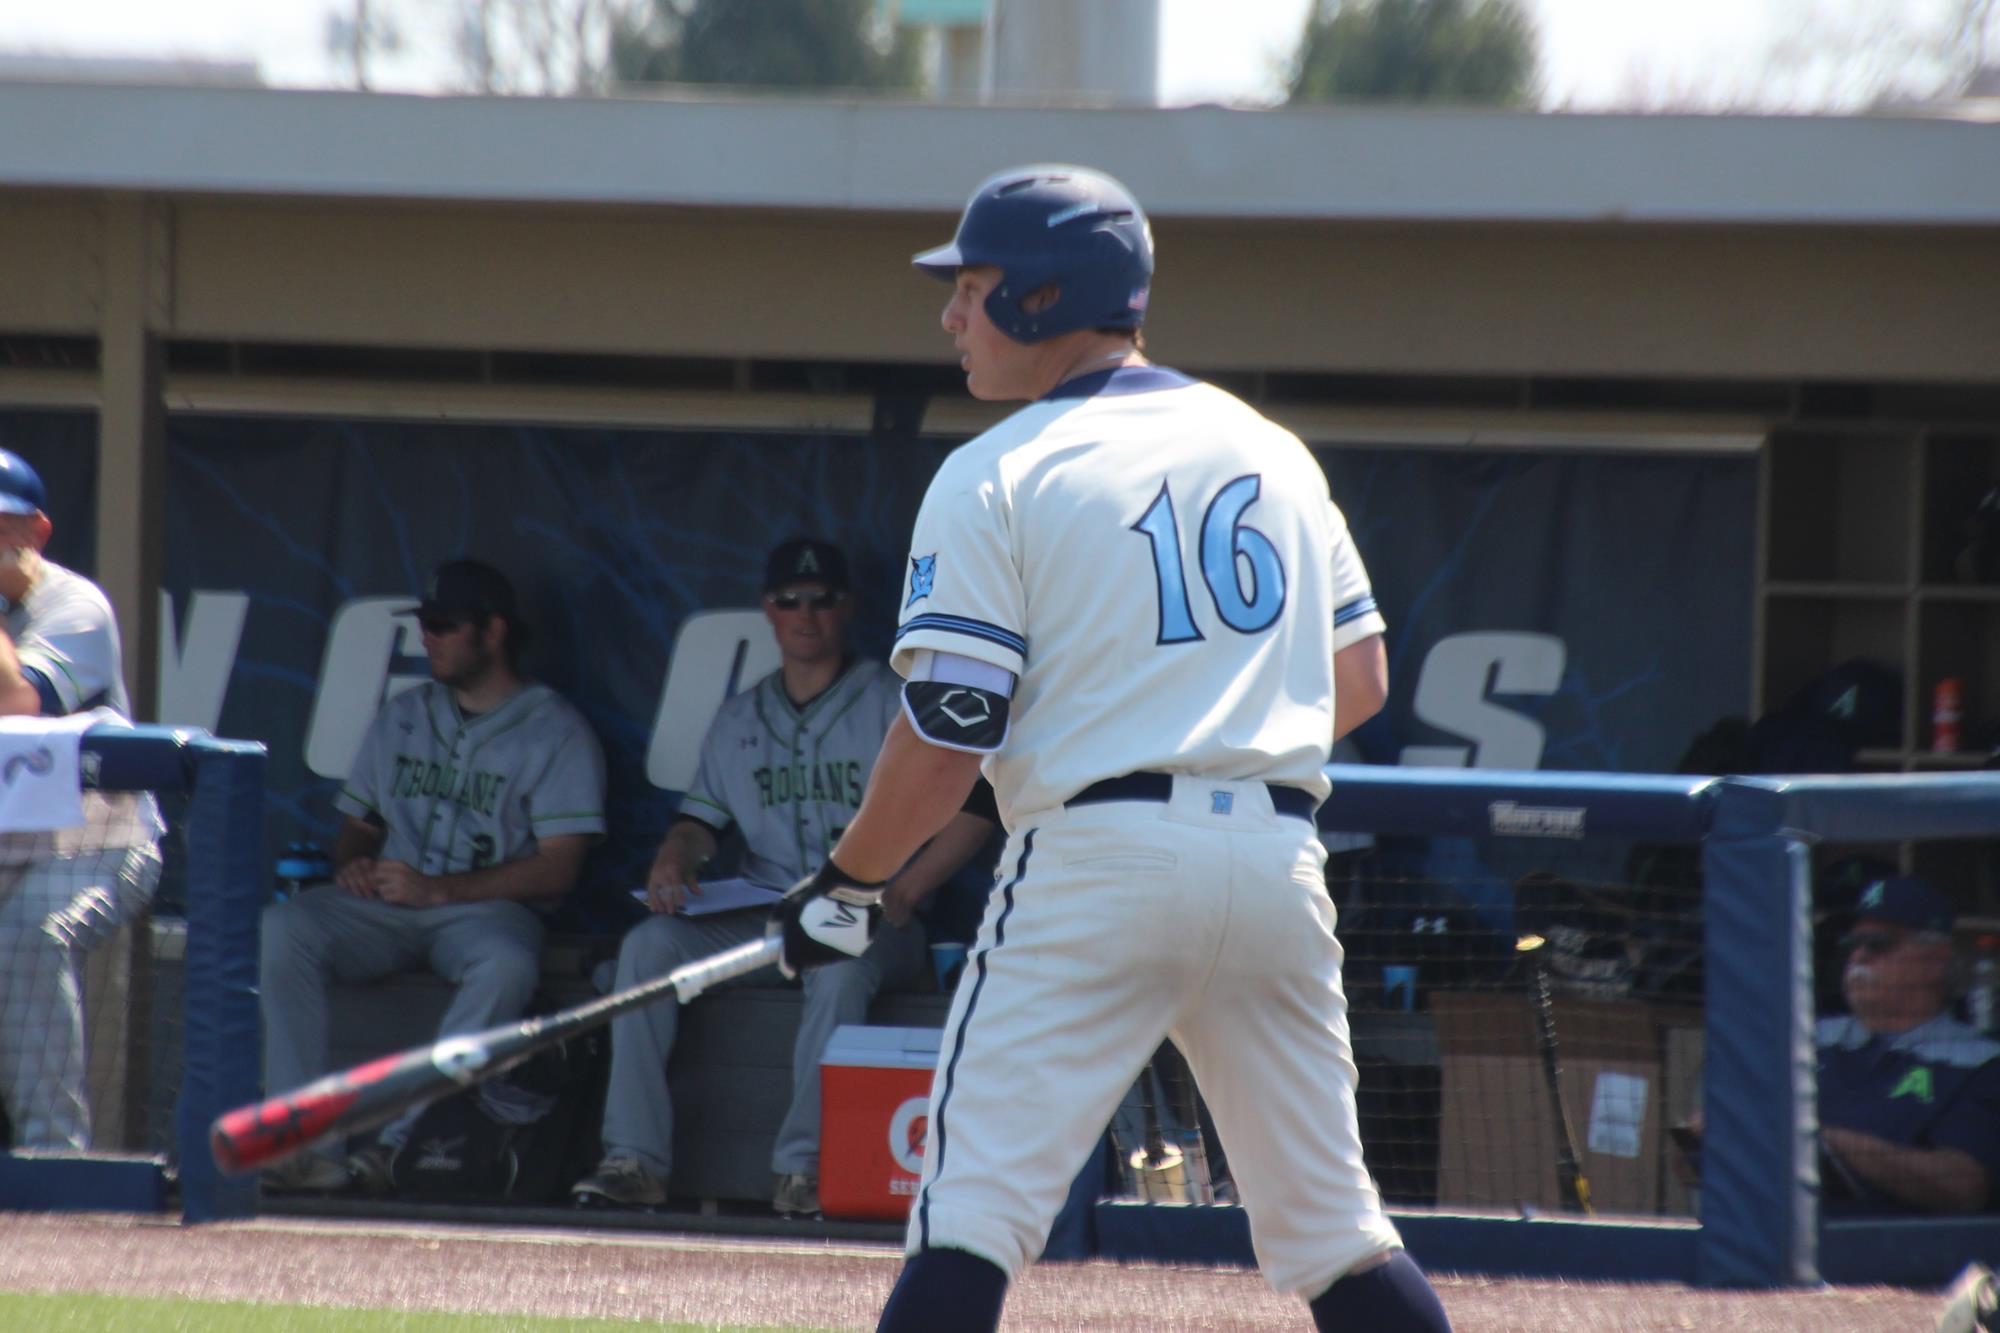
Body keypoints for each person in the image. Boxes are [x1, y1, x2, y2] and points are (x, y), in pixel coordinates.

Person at [765, 166, 1451, 1332]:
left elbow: (945, 735)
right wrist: (1187, 717)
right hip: (1274, 862)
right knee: (1337, 1237)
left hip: (1094, 861)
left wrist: (845, 883)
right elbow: (1360, 683)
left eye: (970, 289)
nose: (948, 317)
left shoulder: (999, 468)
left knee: (967, 1221)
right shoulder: (1273, 448)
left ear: (1040, 299)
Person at [571, 538, 992, 1215]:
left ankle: (805, 1167)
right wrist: (676, 855)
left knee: (839, 964)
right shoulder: (740, 717)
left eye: (822, 599)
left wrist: (907, 888)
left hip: (871, 913)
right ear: (767, 609)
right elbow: (698, 823)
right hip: (763, 913)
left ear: (847, 606)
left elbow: (980, 806)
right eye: (790, 600)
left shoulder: (895, 704)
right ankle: (634, 1160)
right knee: (649, 946)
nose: (806, 614)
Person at [259, 558, 606, 1192]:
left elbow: (560, 870)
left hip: (484, 912)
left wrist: (442, 891)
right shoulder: (404, 714)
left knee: (506, 965)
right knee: (285, 928)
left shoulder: (556, 730)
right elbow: (360, 825)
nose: (430, 638)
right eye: (427, 624)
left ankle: (401, 1143)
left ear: (494, 632)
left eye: (445, 625)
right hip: (389, 905)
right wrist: (354, 867)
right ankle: (303, 1146)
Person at [0, 449, 164, 1151]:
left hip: (99, 840)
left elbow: (16, 702)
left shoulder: (74, 604)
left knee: (30, 933)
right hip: (11, 832)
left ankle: (52, 1155)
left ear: (36, 530)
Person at [1815, 874, 2000, 1215]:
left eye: (1878, 944)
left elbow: (1964, 1187)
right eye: (1851, 944)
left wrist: (1831, 1143)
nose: (1858, 957)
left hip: (1907, 1263)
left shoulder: (1978, 1063)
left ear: (1935, 961)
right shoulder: (1801, 1043)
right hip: (1780, 1260)